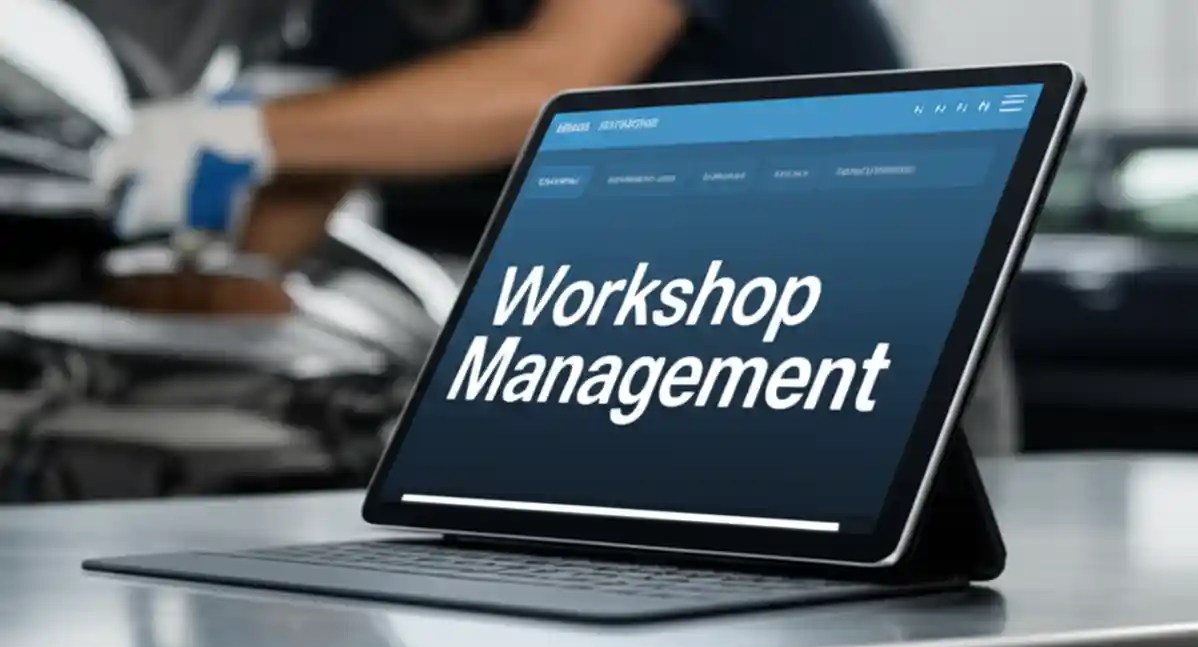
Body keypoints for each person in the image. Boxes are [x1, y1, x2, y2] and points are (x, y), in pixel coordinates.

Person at [92, 0, 1020, 455]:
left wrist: (242, 130)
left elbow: (562, 77)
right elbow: (320, 157)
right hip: (584, 347)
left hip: (840, 325)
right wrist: (185, 292)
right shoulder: (359, 9)